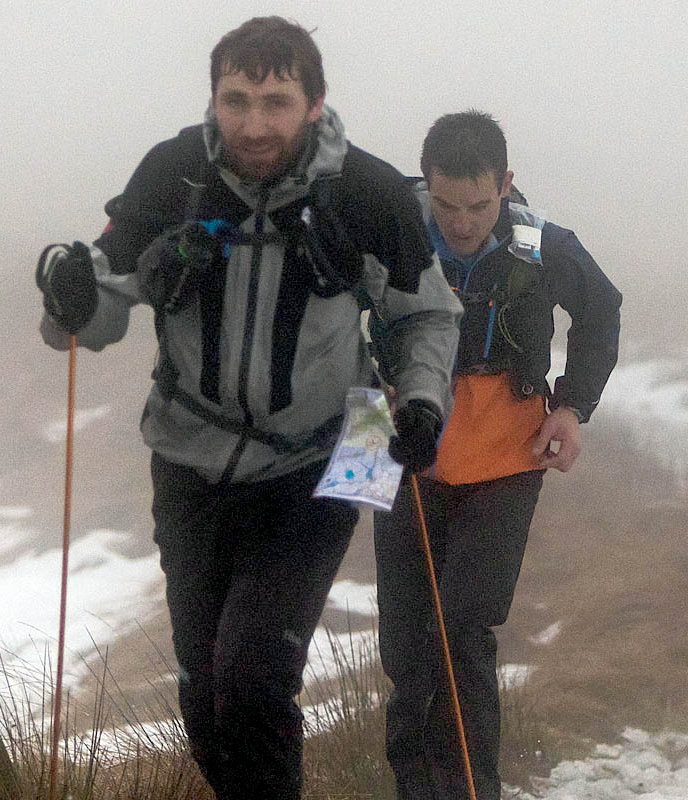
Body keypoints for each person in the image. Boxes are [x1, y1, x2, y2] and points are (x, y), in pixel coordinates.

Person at [33, 17, 461, 800]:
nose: (254, 124)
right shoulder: (172, 176)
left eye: (275, 101)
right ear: (213, 97)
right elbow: (91, 320)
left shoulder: (367, 192)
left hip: (345, 445)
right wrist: (71, 299)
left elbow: (426, 314)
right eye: (236, 100)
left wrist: (426, 402)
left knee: (257, 677)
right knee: (205, 691)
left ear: (315, 102)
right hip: (188, 448)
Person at [372, 110, 622, 800]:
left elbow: (602, 309)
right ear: (426, 184)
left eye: (479, 205)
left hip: (505, 454)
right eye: (447, 205)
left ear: (506, 184)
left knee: (462, 629)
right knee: (404, 648)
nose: (461, 223)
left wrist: (574, 406)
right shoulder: (387, 229)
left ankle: (471, 790)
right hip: (393, 444)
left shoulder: (542, 244)